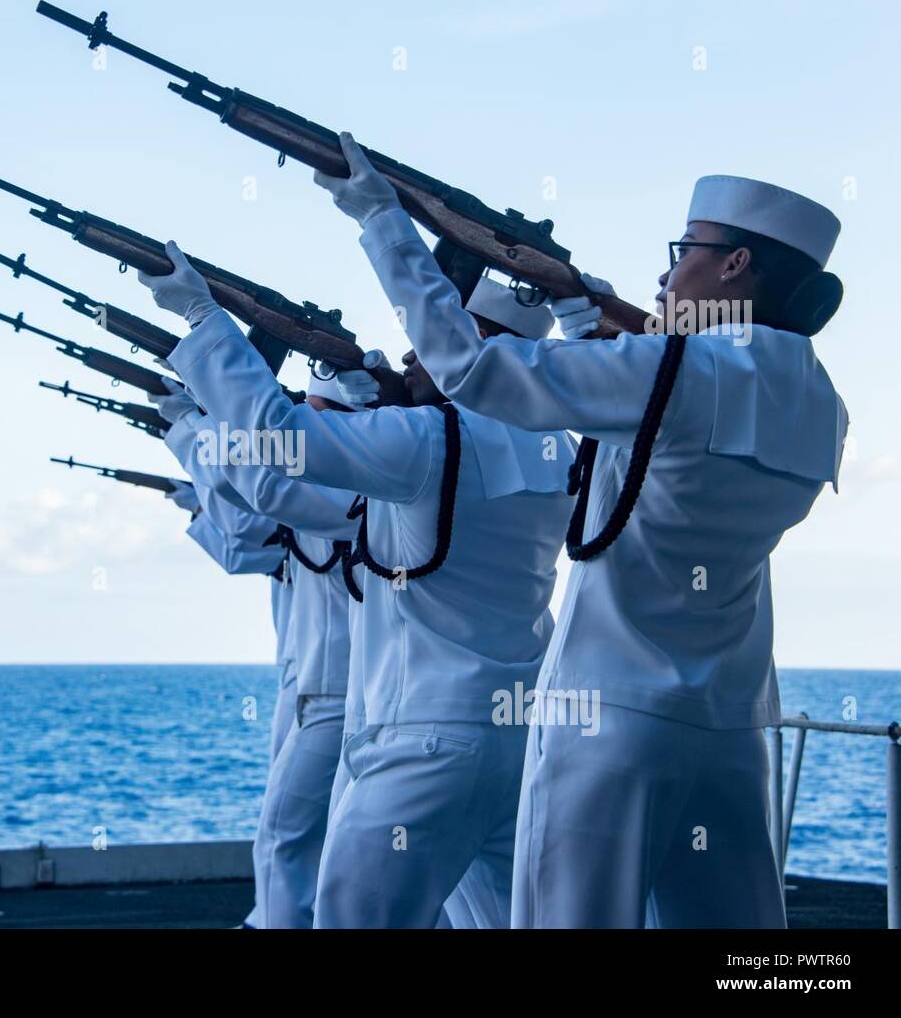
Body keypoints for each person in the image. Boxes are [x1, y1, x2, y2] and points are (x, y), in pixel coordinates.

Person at [315, 133, 847, 928]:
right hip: (731, 725)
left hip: (612, 720)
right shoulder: (819, 400)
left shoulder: (676, 367)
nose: (668, 275)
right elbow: (669, 428)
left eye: (685, 252)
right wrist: (575, 303)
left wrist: (381, 222)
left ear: (735, 266)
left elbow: (474, 371)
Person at [140, 249, 574, 928]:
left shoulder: (429, 440)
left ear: (473, 349)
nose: (407, 359)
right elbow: (276, 486)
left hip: (425, 744)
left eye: (426, 340)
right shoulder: (556, 446)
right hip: (514, 736)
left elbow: (276, 445)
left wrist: (202, 318)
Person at [158, 374, 358, 927]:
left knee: (286, 830)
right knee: (309, 828)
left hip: (337, 689)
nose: (301, 427)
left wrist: (190, 427)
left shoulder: (341, 489)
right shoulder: (329, 487)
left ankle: (276, 921)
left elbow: (255, 499)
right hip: (316, 685)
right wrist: (197, 486)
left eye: (312, 415)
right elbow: (245, 536)